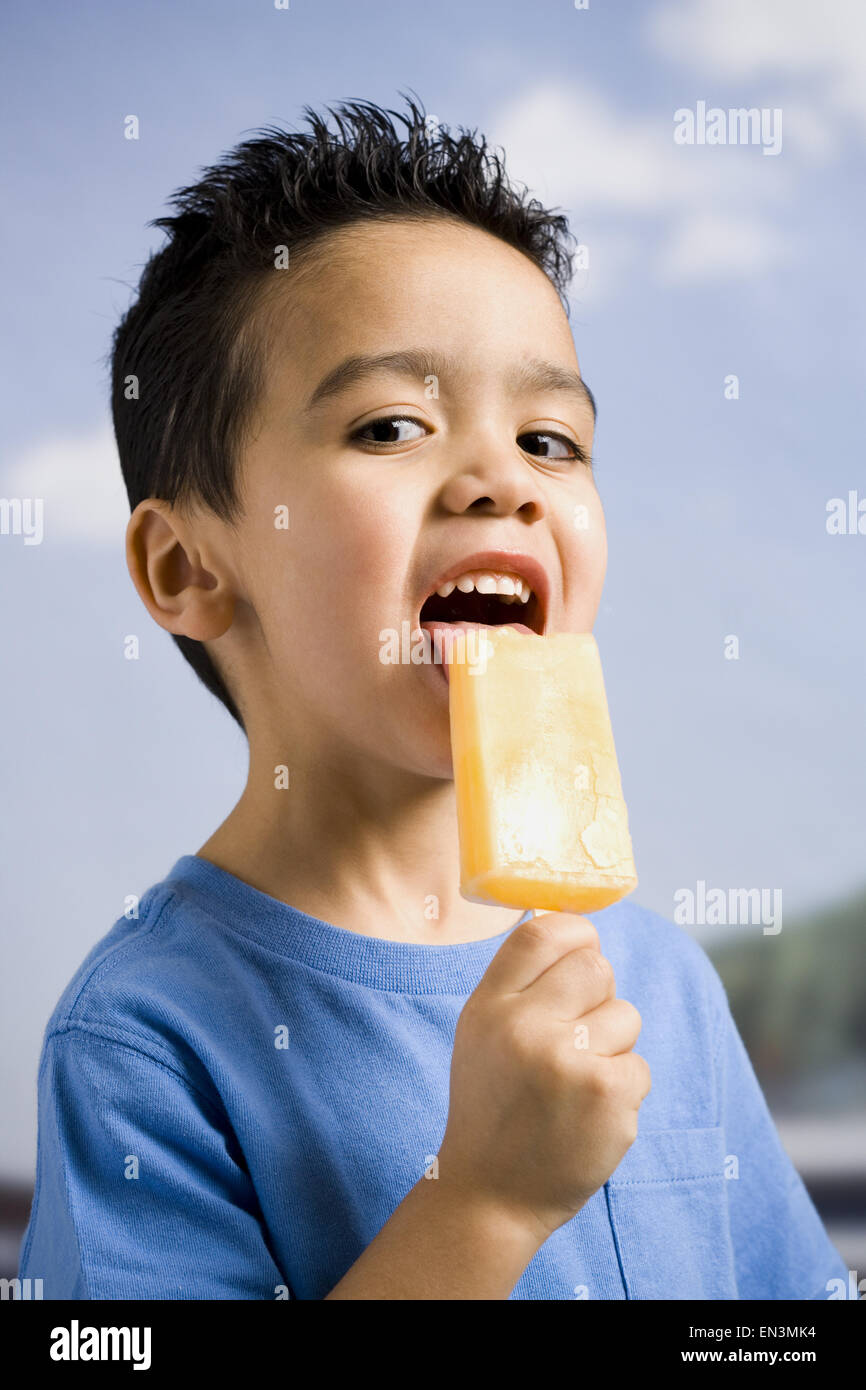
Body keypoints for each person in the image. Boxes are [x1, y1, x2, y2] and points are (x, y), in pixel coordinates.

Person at [18, 95, 848, 1300]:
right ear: (190, 567)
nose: (501, 480)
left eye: (551, 441)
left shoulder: (658, 982)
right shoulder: (143, 1041)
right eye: (391, 423)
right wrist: (483, 1203)